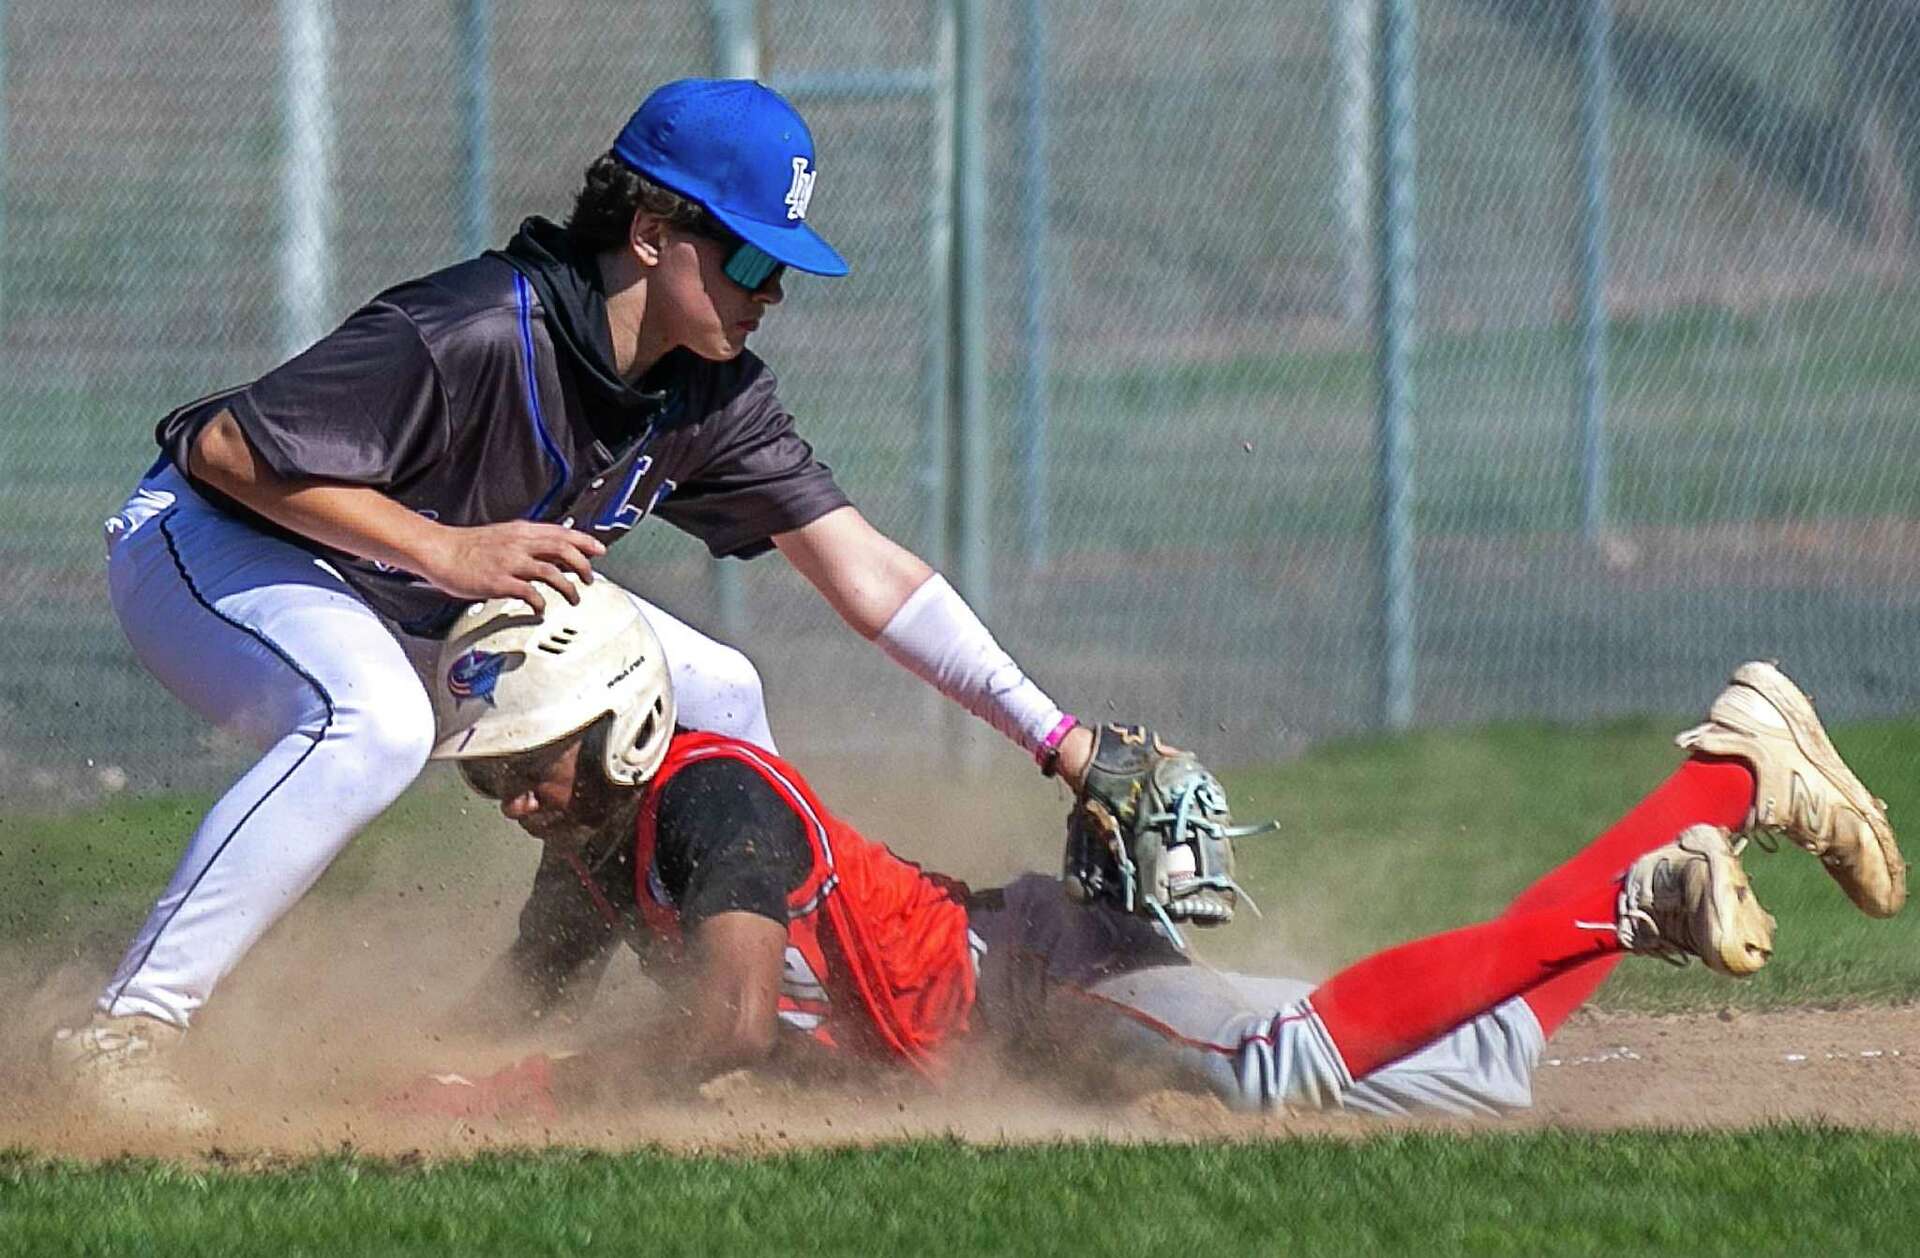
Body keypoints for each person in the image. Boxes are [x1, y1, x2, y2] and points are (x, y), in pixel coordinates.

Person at [65, 78, 1101, 1132]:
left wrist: (1058, 738)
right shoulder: (472, 330)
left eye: (782, 265)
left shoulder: (711, 389)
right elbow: (223, 448)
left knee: (722, 693)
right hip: (215, 541)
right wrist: (443, 547)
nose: (770, 288)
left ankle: (674, 1004)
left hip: (415, 586)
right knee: (374, 721)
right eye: (748, 256)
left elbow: (866, 571)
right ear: (651, 233)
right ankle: (124, 1032)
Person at [387, 579, 1903, 1121]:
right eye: (498, 781)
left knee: (1291, 1061)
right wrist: (405, 1077)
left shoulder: (712, 805)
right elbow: (514, 1001)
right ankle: (1728, 770)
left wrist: (517, 1098)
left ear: (626, 723)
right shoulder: (595, 850)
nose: (519, 797)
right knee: (1484, 1066)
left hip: (1037, 988)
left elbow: (721, 1022)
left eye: (535, 763)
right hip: (1020, 1023)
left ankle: (1644, 899)